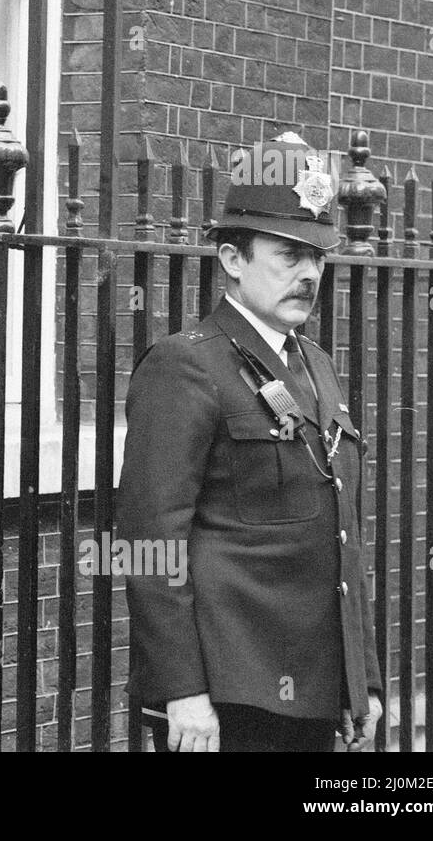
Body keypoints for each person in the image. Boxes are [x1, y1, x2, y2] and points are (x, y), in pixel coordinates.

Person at [118, 133, 382, 752]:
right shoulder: (186, 366)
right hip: (229, 696)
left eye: (317, 257)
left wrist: (361, 679)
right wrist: (181, 692)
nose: (308, 274)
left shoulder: (314, 363)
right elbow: (148, 540)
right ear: (232, 259)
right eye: (288, 254)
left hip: (314, 691)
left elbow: (343, 535)